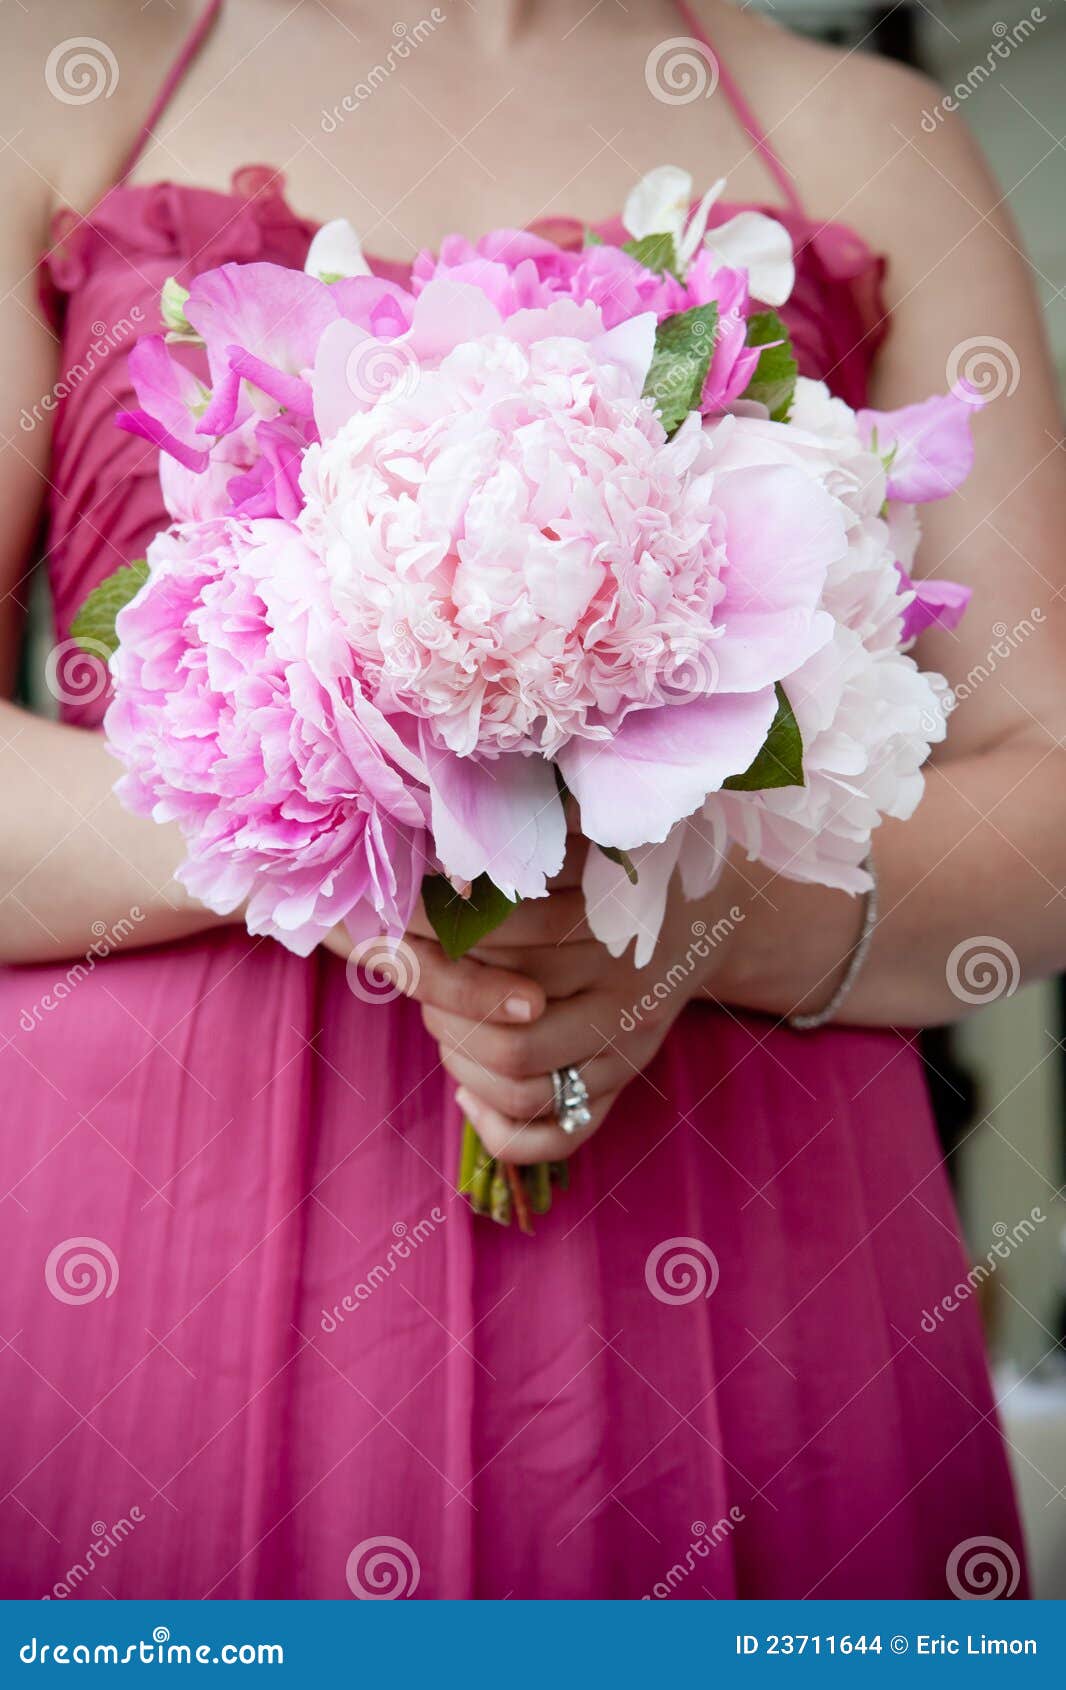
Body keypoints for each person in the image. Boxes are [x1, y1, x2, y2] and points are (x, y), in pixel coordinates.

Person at [1, 0, 1060, 1599]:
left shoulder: (872, 134)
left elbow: (1043, 799)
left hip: (744, 1263)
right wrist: (351, 789)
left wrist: (705, 914)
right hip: (155, 1254)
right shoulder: (54, 84)